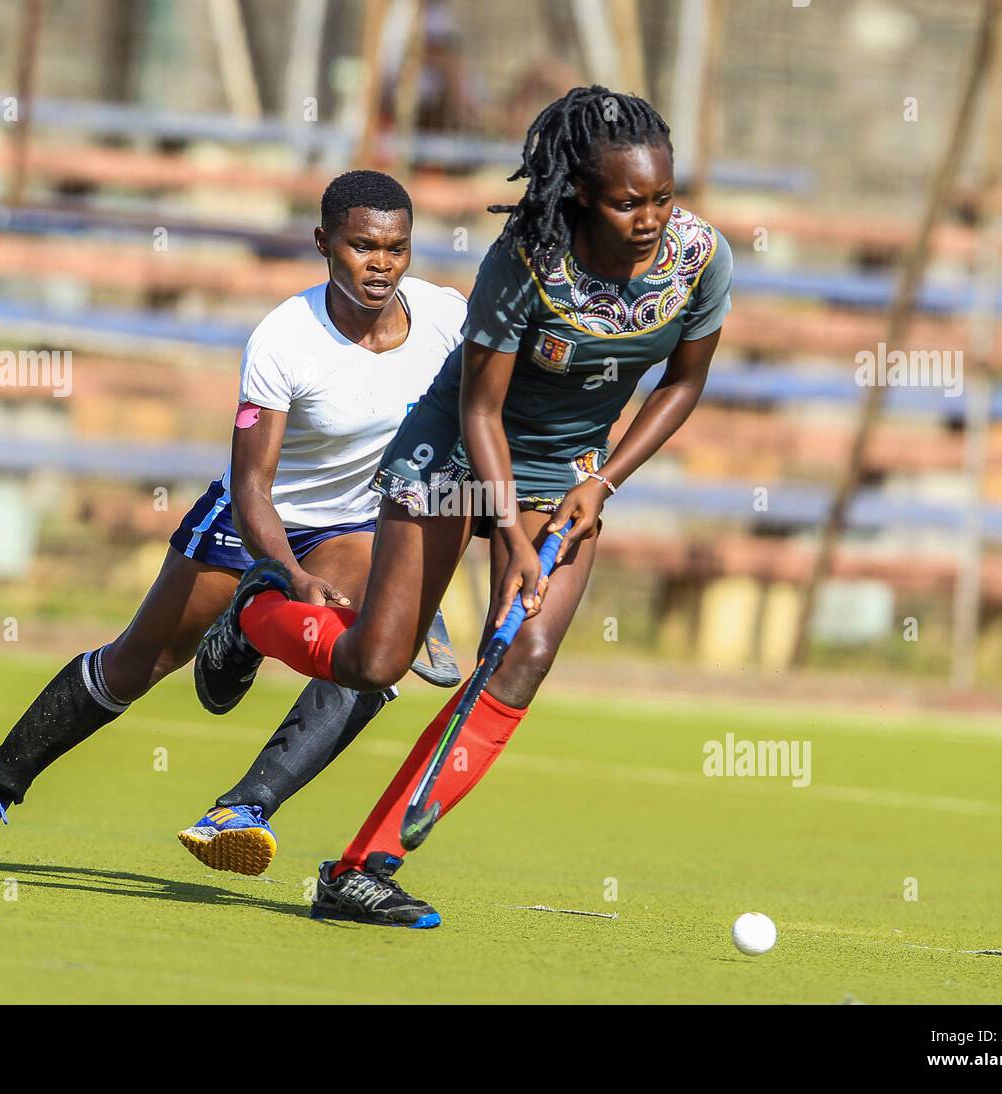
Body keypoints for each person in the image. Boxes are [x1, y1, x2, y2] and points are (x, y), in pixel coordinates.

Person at [195, 86, 734, 928]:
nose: (652, 218)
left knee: (519, 655)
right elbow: (481, 411)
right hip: (456, 447)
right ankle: (254, 612)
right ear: (585, 195)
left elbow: (686, 381)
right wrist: (514, 534)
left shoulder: (699, 258)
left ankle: (363, 869)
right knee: (377, 664)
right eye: (629, 201)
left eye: (663, 196)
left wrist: (602, 483)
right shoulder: (526, 260)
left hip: (569, 469)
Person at [0, 171, 467, 876]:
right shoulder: (285, 338)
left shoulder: (444, 320)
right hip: (256, 519)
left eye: (396, 248)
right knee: (135, 665)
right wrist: (289, 574)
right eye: (361, 246)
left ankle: (242, 808)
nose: (380, 264)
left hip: (354, 526)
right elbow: (252, 485)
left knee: (377, 656)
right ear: (323, 243)